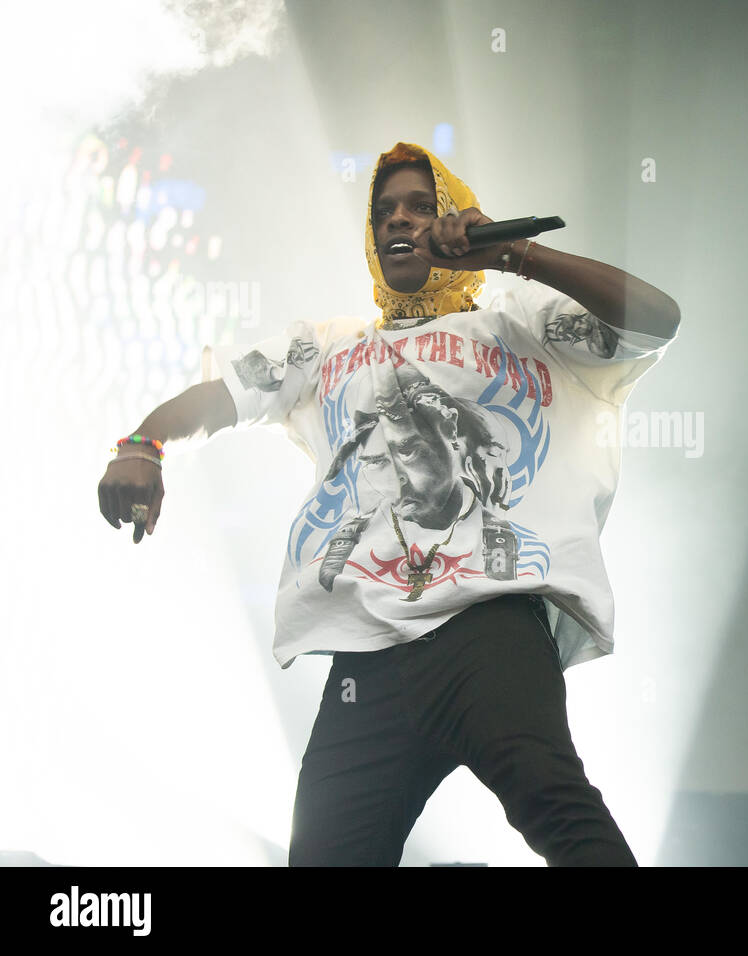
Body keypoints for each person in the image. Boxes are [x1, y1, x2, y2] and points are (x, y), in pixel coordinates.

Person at [96, 141, 681, 866]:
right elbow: (221, 400)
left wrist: (511, 255)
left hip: (489, 628)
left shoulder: (518, 322)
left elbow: (656, 319)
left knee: (556, 807)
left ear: (453, 217)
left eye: (418, 204)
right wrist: (142, 444)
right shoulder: (327, 347)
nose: (397, 220)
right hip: (369, 654)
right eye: (383, 211)